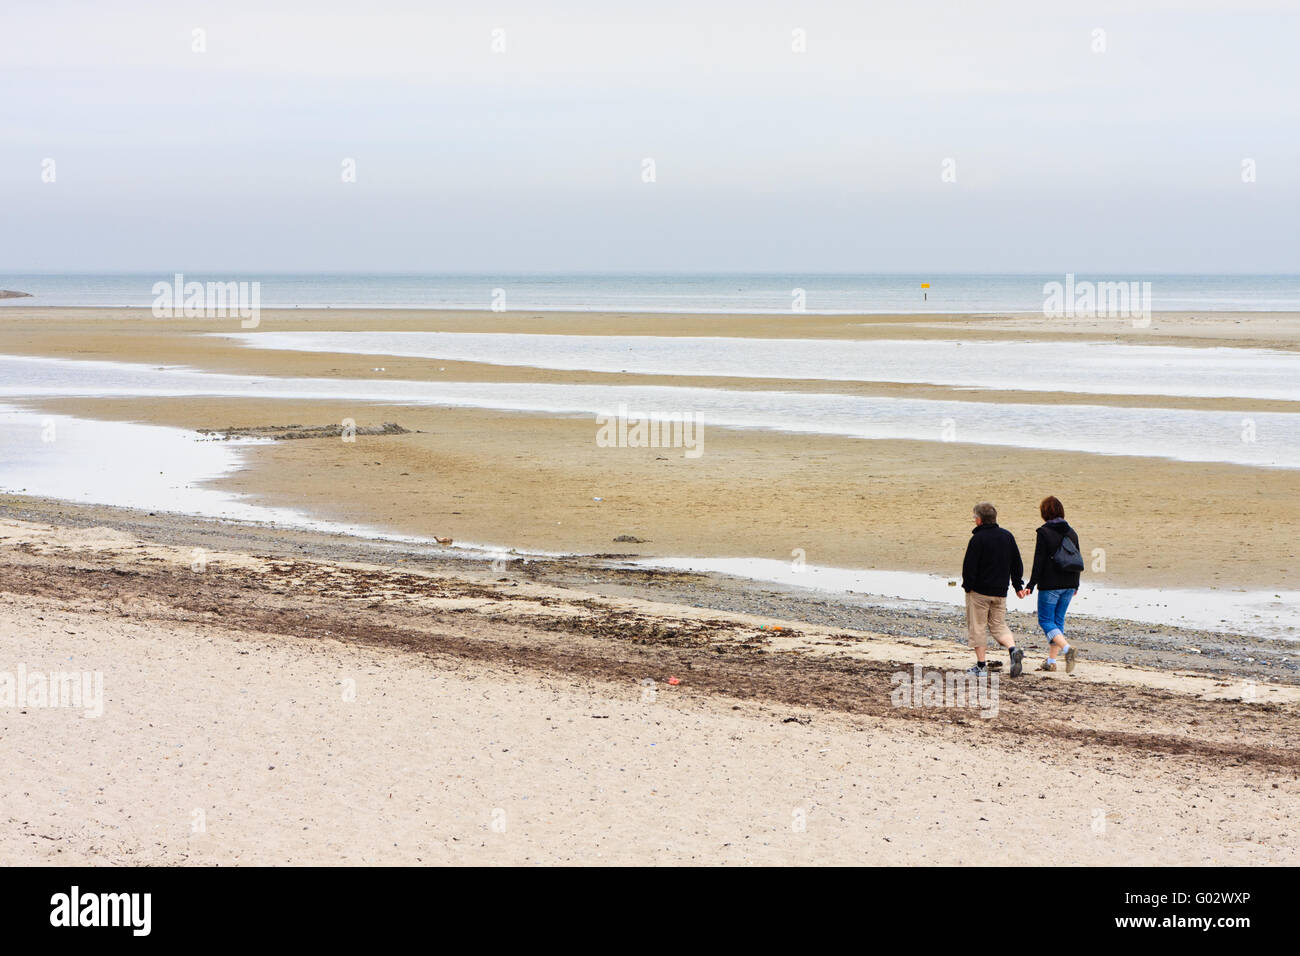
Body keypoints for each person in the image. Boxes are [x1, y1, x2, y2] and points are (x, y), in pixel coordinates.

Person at [961, 501, 1026, 677]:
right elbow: (1016, 563)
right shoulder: (1007, 536)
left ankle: (981, 666)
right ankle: (1013, 649)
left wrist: (968, 586)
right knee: (998, 625)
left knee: (978, 627)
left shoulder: (977, 539)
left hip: (979, 591)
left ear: (979, 520)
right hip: (1000, 591)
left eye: (975, 518)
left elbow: (969, 566)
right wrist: (1017, 585)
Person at [1025, 495, 1082, 673]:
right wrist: (1076, 584)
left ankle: (1067, 650)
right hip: (1070, 582)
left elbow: (1039, 560)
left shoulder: (1044, 532)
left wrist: (1031, 584)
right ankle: (1051, 661)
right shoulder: (1072, 532)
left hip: (1051, 584)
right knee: (1057, 621)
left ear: (1044, 513)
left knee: (1046, 621)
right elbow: (1077, 558)